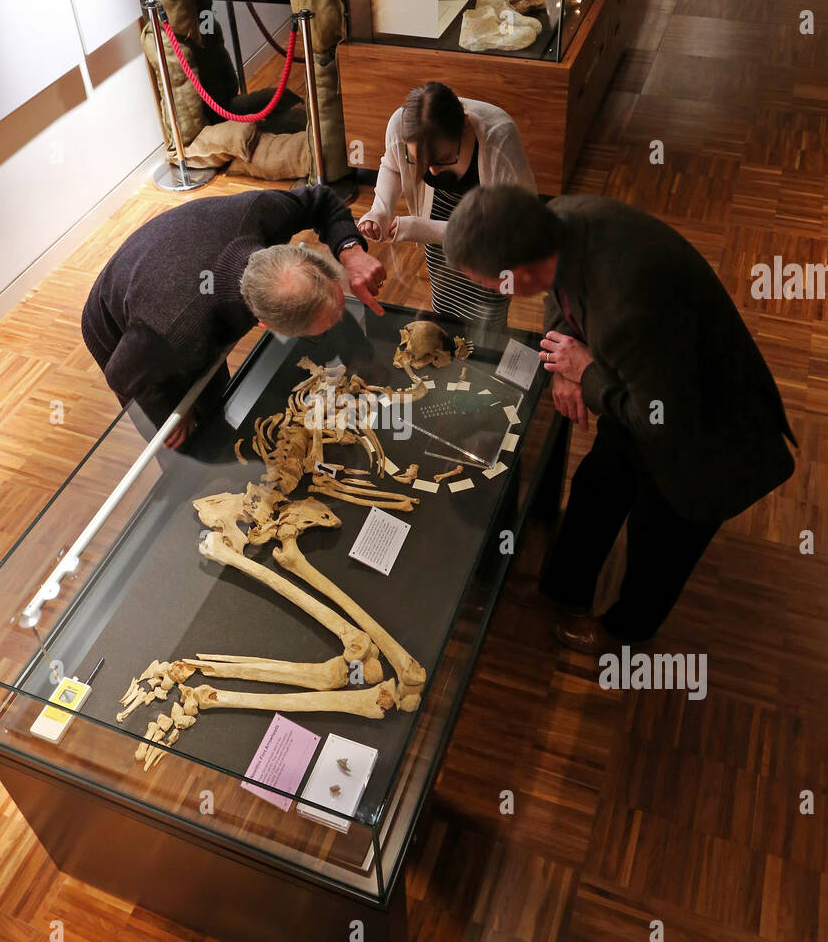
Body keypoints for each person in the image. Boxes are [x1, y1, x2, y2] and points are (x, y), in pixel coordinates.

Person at [443, 185, 796, 653]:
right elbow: (559, 297)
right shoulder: (557, 223)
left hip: (704, 434)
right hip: (641, 382)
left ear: (520, 272)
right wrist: (562, 353)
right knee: (599, 483)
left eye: (490, 282)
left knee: (659, 542)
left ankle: (623, 634)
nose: (488, 290)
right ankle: (562, 589)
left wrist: (585, 372)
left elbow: (662, 421)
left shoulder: (626, 303)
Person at [81, 185, 384, 450]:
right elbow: (120, 375)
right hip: (117, 319)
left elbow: (321, 200)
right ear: (263, 324)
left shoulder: (258, 213)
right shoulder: (177, 330)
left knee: (213, 392)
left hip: (170, 254)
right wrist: (173, 411)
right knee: (189, 435)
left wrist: (350, 250)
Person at [356, 82, 535, 329]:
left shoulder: (498, 140)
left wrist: (421, 228)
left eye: (443, 159)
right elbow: (393, 166)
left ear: (463, 130)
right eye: (421, 162)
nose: (432, 171)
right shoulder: (401, 125)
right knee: (444, 298)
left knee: (486, 314)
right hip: (440, 209)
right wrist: (380, 211)